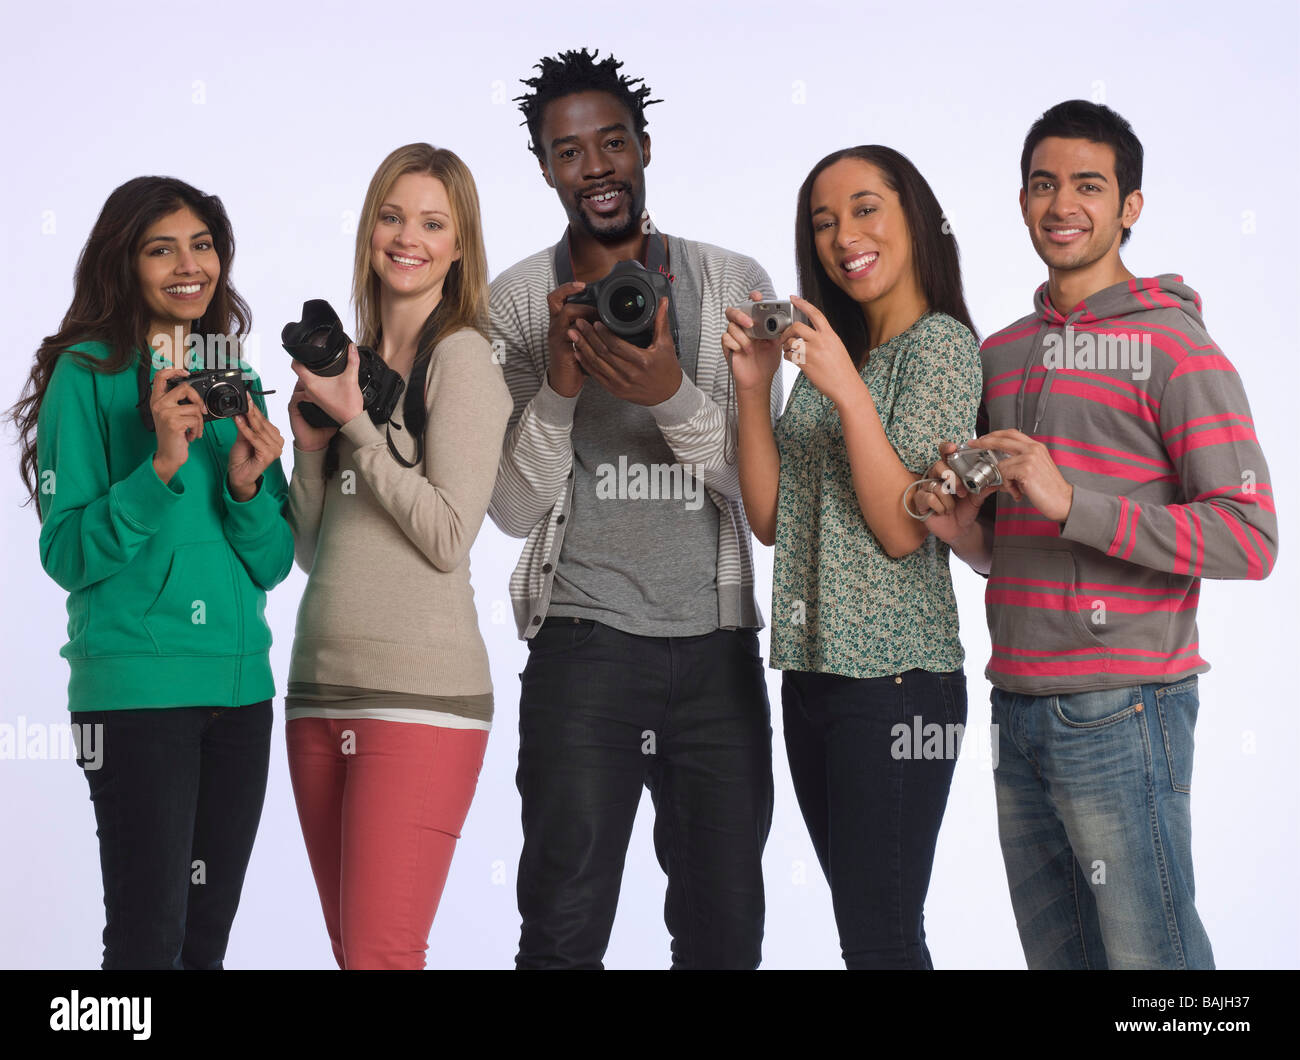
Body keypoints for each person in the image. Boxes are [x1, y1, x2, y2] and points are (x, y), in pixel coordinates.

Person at [917, 100, 1278, 969]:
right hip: (1017, 703)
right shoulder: (1000, 354)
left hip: (1124, 707)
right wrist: (970, 536)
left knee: (1158, 972)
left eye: (1088, 184)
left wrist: (1069, 496)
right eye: (1044, 184)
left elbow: (1250, 537)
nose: (1062, 204)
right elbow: (1016, 546)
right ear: (1021, 201)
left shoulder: (1177, 349)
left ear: (1130, 207)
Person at [488, 48, 782, 969]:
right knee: (565, 931)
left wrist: (670, 393)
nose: (596, 169)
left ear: (644, 146)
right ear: (544, 168)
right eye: (569, 153)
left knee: (724, 934)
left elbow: (756, 487)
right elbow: (510, 505)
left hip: (718, 650)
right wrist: (561, 390)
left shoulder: (735, 281)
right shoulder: (516, 305)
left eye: (612, 143)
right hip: (584, 646)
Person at [12, 176, 293, 969]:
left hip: (241, 695)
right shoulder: (87, 374)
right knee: (145, 943)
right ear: (124, 262)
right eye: (160, 247)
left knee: (203, 945)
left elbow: (271, 563)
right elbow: (67, 555)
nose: (187, 264)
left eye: (201, 244)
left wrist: (244, 490)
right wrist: (161, 464)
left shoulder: (232, 372)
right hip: (137, 696)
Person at [729, 146, 982, 968]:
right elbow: (770, 519)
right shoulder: (834, 349)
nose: (844, 236)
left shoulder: (940, 346)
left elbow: (904, 528)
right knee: (867, 937)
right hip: (814, 676)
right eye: (824, 222)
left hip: (898, 685)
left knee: (880, 940)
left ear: (913, 215)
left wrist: (845, 388)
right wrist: (753, 386)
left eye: (866, 208)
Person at [283, 143, 511, 970]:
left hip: (418, 703)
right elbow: (312, 551)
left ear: (459, 247)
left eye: (431, 222)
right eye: (391, 215)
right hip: (316, 691)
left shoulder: (465, 361)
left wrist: (357, 428)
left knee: (380, 956)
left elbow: (449, 536)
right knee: (355, 954)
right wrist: (312, 447)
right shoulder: (351, 361)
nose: (406, 237)